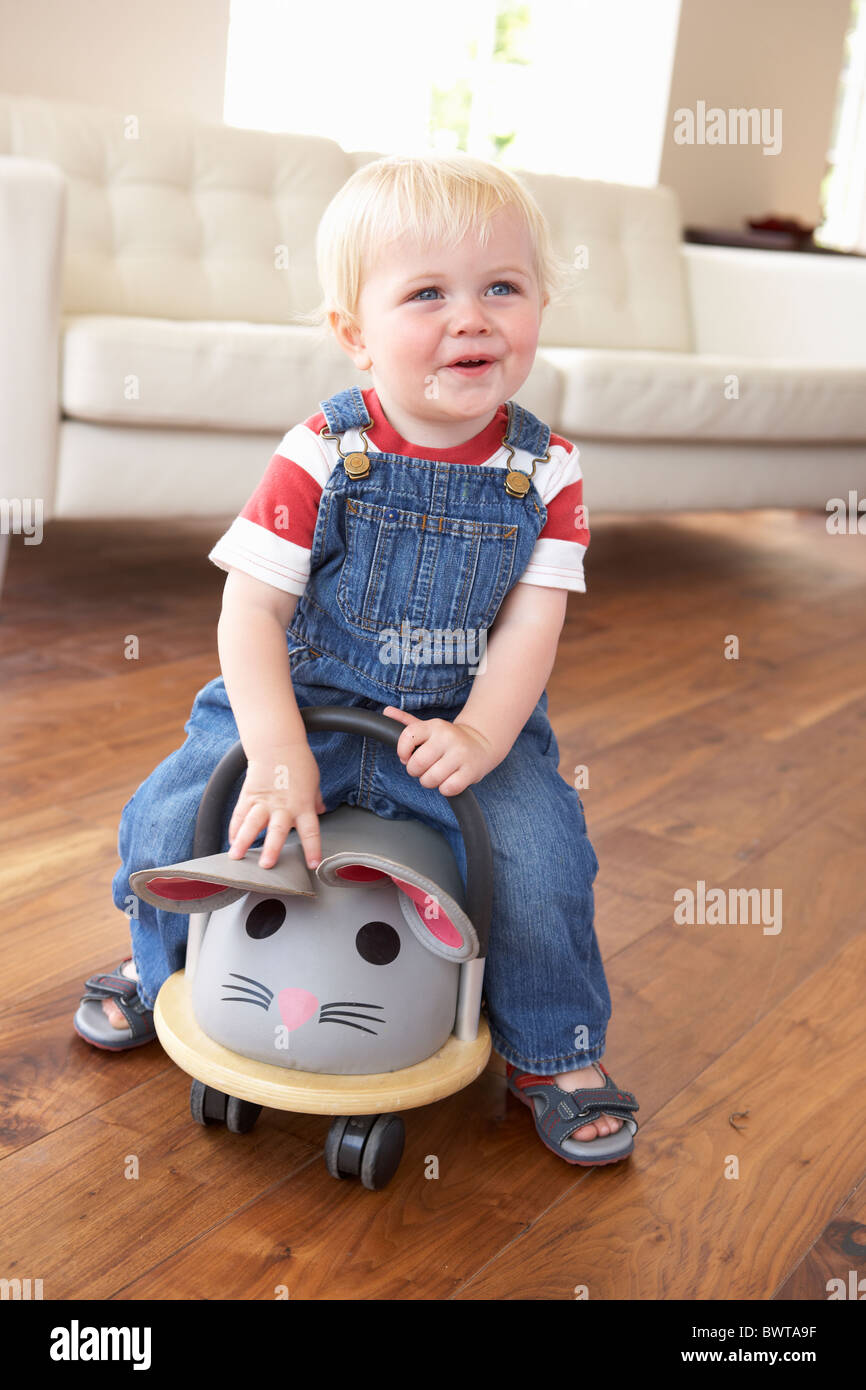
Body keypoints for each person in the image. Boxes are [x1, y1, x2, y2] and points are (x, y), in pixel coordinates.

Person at [74, 153, 639, 1165]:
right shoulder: (323, 451)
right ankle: (157, 962)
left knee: (541, 858)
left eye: (499, 288)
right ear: (354, 334)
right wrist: (277, 750)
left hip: (458, 721)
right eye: (427, 294)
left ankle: (552, 1049)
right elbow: (248, 611)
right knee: (170, 809)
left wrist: (480, 734)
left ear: (538, 304)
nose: (470, 318)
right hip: (304, 698)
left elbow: (530, 625)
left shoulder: (545, 469)